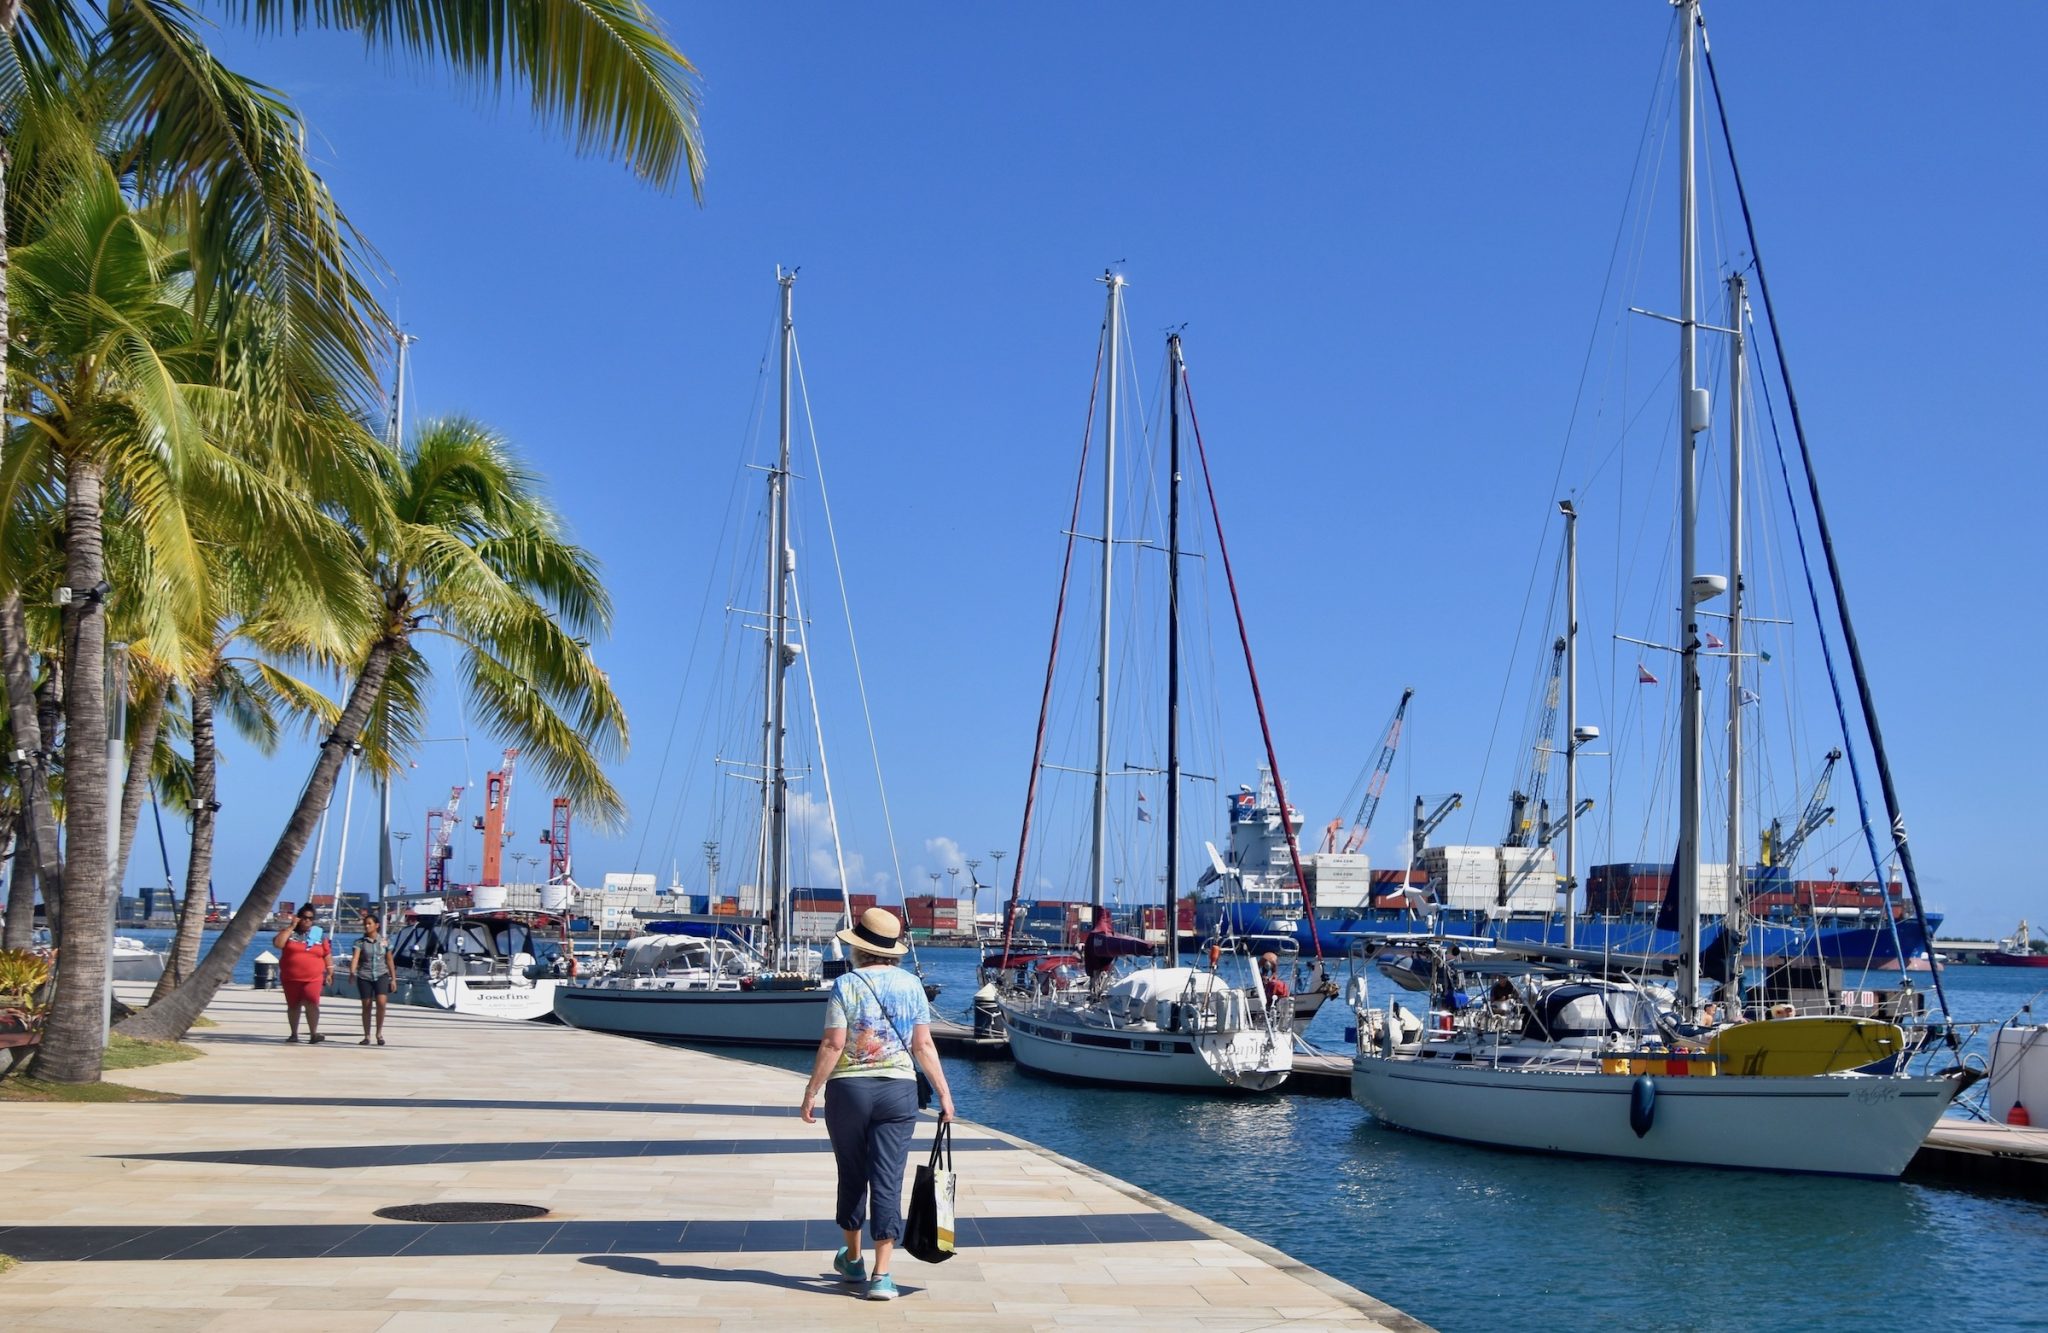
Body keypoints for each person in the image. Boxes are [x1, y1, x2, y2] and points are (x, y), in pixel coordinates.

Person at [800, 908, 954, 1302]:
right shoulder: (911, 986)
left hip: (849, 1091)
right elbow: (923, 1045)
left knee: (852, 1173)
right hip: (899, 1091)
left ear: (858, 948)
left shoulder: (846, 984)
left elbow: (834, 1044)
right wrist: (944, 1093)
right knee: (888, 1179)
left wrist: (811, 1091)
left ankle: (852, 1260)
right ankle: (882, 1276)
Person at [272, 907, 334, 1043]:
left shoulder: (319, 935)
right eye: (304, 918)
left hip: (313, 978)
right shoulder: (289, 933)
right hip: (291, 977)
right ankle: (294, 1034)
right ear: (299, 918)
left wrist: (330, 971)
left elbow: (327, 954)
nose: (307, 921)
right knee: (293, 1005)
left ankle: (313, 1034)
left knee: (312, 1003)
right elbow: (278, 944)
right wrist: (291, 926)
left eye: (310, 918)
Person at [349, 912, 396, 1046]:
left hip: (381, 974)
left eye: (370, 924)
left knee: (381, 1003)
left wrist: (393, 979)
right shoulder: (359, 943)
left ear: (377, 925)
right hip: (365, 975)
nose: (367, 926)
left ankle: (379, 1033)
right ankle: (367, 1035)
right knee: (367, 1005)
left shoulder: (384, 942)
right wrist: (352, 972)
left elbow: (389, 960)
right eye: (365, 924)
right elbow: (355, 958)